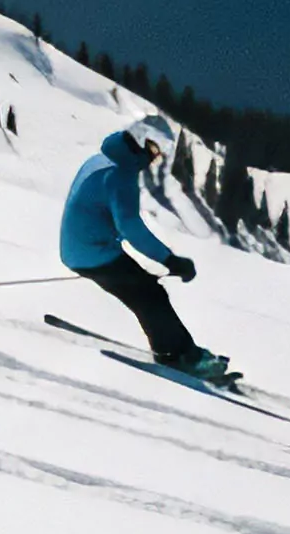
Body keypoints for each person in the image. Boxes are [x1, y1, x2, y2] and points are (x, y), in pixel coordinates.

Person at [60, 114, 227, 379]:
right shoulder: (119, 175)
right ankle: (176, 356)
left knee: (148, 291)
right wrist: (170, 260)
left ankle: (182, 351)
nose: (152, 159)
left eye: (157, 154)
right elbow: (131, 228)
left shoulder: (102, 159)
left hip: (84, 248)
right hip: (93, 252)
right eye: (151, 150)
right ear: (138, 142)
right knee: (149, 295)